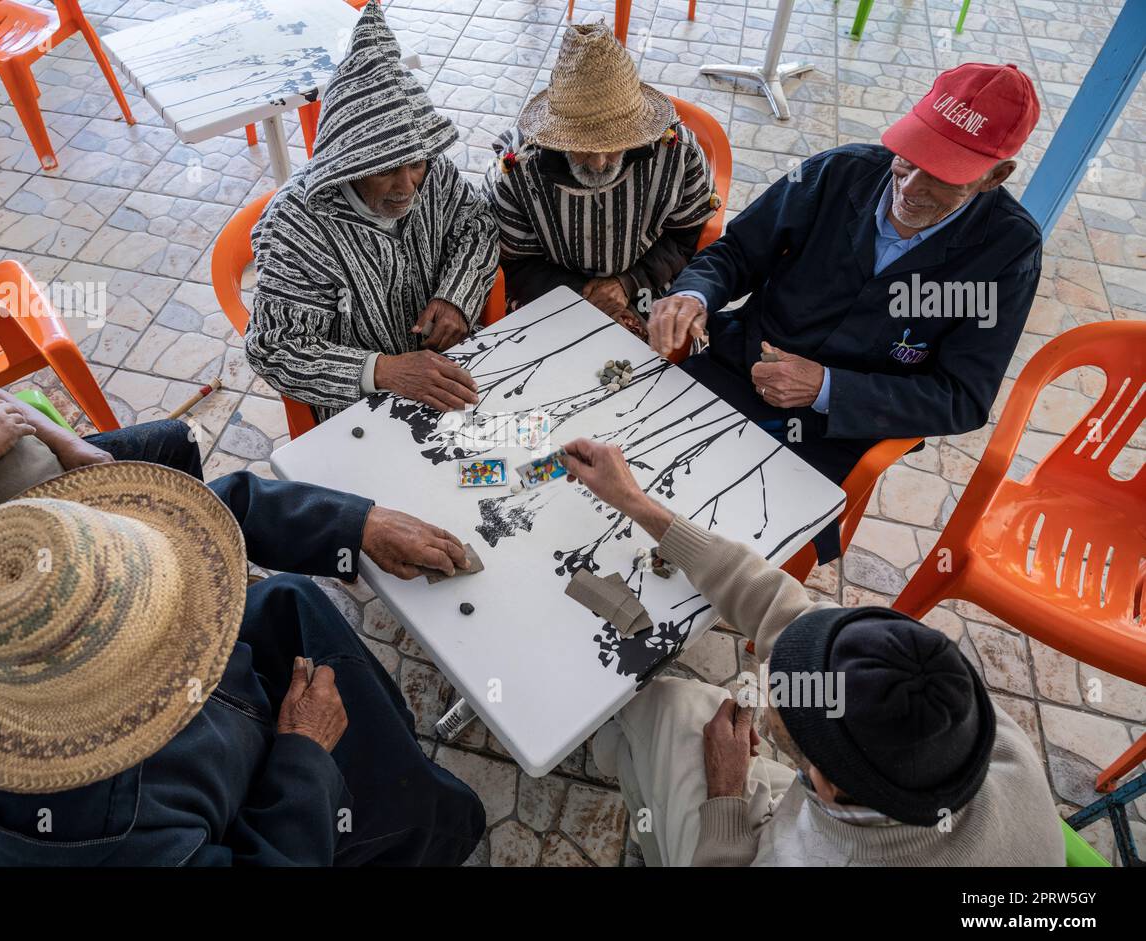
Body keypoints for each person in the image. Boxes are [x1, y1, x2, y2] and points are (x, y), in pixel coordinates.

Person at [0, 461, 486, 865]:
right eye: (177, 622)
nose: (202, 606)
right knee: (424, 810)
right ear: (132, 697)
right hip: (237, 826)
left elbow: (202, 515)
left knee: (287, 601)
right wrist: (304, 755)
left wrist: (355, 525)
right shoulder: (117, 833)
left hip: (198, 746)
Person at [561, 438, 1064, 866]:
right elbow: (776, 603)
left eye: (778, 686)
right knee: (655, 730)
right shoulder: (973, 727)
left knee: (661, 706)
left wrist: (726, 796)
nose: (773, 658)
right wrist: (636, 502)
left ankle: (645, 807)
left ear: (819, 781)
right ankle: (633, 765)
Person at [0, 317, 471, 660]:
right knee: (275, 598)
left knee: (172, 448)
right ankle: (207, 607)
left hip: (47, 484)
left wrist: (69, 446)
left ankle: (210, 565)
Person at [648, 63, 1043, 559]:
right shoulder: (839, 171)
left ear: (996, 177)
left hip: (830, 433)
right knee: (624, 473)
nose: (912, 186)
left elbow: (961, 398)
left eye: (944, 175)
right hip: (732, 366)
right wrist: (694, 295)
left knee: (719, 550)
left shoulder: (1008, 250)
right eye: (911, 155)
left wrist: (826, 387)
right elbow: (737, 254)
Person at [246, 2, 499, 421]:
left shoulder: (433, 171)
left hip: (448, 372)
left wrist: (456, 297)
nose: (406, 188)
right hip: (359, 405)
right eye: (384, 171)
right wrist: (382, 370)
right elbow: (274, 347)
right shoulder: (296, 227)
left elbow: (478, 225)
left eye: (414, 165)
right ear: (348, 165)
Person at [484, 23, 718, 339]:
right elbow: (514, 262)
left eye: (613, 145)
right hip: (550, 290)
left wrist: (628, 282)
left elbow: (686, 237)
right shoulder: (518, 166)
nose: (598, 163)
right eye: (583, 147)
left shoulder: (676, 151)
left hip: (646, 286)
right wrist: (582, 295)